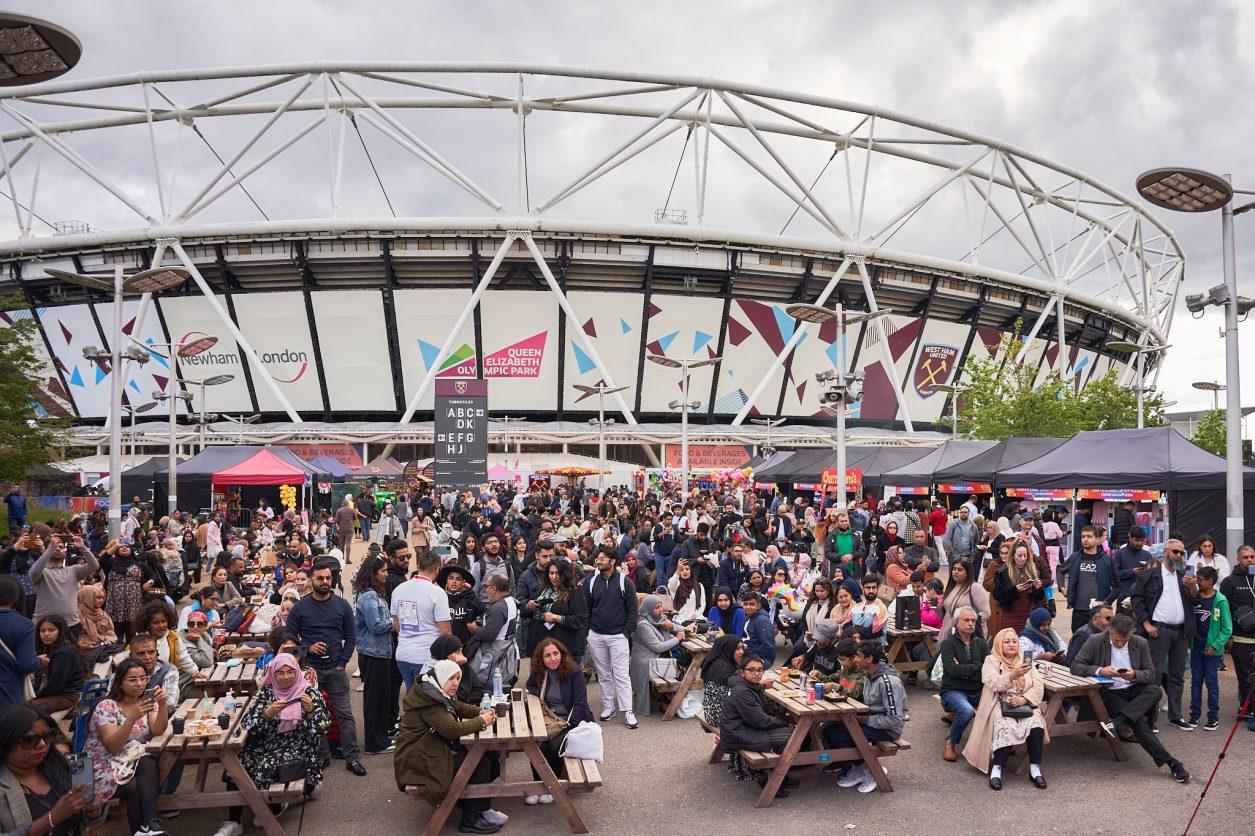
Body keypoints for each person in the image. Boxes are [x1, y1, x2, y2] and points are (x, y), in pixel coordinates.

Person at [210, 652, 330, 836]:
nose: (286, 677)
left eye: (290, 672)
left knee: (268, 766)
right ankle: (234, 821)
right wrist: (267, 714)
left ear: (297, 671)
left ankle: (274, 805)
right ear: (273, 674)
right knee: (236, 765)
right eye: (280, 673)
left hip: (298, 748)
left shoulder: (309, 692)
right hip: (267, 745)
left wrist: (311, 711)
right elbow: (248, 725)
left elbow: (323, 728)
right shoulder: (267, 693)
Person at [1070, 614, 1190, 783]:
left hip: (1133, 689)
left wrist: (1134, 675)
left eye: (1124, 640)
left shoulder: (1139, 642)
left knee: (1155, 690)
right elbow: (1075, 666)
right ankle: (1173, 763)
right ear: (1110, 631)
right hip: (1110, 692)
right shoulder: (1095, 640)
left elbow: (1150, 673)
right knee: (1138, 723)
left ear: (1131, 635)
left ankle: (1118, 721)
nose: (1121, 643)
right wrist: (1100, 671)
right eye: (1118, 640)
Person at [393, 660, 502, 835]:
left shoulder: (435, 691)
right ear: (441, 676)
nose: (455, 683)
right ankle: (470, 819)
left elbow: (457, 707)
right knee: (478, 763)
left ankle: (475, 804)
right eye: (451, 678)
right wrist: (482, 722)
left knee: (490, 755)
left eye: (458, 678)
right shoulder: (430, 701)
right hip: (418, 761)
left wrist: (479, 711)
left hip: (428, 751)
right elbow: (452, 730)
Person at [287, 564, 365, 776]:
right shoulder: (301, 607)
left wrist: (342, 662)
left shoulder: (342, 605)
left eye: (328, 578)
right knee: (314, 713)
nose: (324, 582)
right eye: (320, 578)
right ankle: (322, 756)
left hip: (335, 669)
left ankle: (351, 757)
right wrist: (307, 649)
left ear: (333, 579)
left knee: (345, 714)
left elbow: (351, 637)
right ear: (312, 580)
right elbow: (288, 640)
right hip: (310, 670)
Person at [82, 658, 169, 836]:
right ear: (120, 683)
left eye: (143, 678)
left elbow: (158, 729)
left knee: (148, 760)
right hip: (102, 767)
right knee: (138, 785)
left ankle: (149, 825)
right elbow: (113, 746)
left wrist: (162, 705)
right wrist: (131, 719)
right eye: (132, 680)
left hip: (130, 763)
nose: (139, 684)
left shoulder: (145, 702)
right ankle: (145, 827)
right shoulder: (106, 707)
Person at [961, 627, 1047, 791]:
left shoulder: (1026, 660)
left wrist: (1024, 699)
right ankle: (997, 768)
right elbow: (992, 682)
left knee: (1036, 724)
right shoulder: (991, 660)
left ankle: (1035, 769)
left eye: (1014, 641)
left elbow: (1038, 685)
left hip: (1024, 704)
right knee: (1005, 726)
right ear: (999, 644)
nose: (1011, 644)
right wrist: (1012, 675)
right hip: (999, 703)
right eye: (1007, 642)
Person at [0, 703, 96, 835]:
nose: (42, 744)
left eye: (48, 736)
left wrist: (92, 811)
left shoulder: (59, 766)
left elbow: (81, 820)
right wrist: (52, 818)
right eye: (29, 740)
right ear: (6, 742)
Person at [825, 641, 907, 794]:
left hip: (888, 729)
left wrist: (863, 720)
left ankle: (871, 770)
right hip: (870, 720)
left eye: (858, 656)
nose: (855, 659)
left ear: (869, 659)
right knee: (829, 729)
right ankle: (857, 768)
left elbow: (894, 719)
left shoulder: (888, 682)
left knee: (840, 736)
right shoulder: (870, 675)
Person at [1131, 539, 1195, 731]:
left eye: (1182, 553)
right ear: (1166, 552)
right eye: (1176, 552)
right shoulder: (1151, 574)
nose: (1179, 556)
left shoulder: (1184, 575)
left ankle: (1176, 716)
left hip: (1181, 632)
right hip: (1159, 631)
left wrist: (1193, 587)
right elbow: (1137, 599)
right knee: (1155, 676)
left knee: (1177, 676)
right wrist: (1146, 623)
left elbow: (1195, 601)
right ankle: (1151, 718)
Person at [524, 638, 594, 805]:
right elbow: (530, 687)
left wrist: (568, 725)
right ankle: (537, 786)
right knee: (536, 743)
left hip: (573, 720)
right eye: (547, 655)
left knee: (554, 746)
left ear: (562, 654)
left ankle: (551, 786)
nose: (553, 658)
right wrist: (544, 701)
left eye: (555, 653)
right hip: (551, 718)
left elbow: (580, 704)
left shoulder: (574, 672)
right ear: (541, 659)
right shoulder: (540, 672)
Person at [717, 655, 796, 798]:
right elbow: (761, 721)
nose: (757, 673)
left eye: (760, 670)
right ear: (742, 672)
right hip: (738, 735)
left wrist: (782, 718)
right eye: (752, 670)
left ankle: (777, 776)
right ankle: (770, 779)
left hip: (744, 729)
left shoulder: (751, 686)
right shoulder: (742, 691)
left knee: (790, 734)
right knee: (793, 735)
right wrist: (785, 721)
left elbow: (764, 712)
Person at [583, 547, 638, 728]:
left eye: (602, 559)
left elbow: (632, 611)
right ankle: (608, 706)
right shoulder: (590, 582)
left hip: (618, 636)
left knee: (622, 675)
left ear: (612, 561)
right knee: (603, 674)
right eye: (598, 558)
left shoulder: (625, 583)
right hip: (596, 635)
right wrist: (589, 632)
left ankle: (627, 711)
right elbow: (587, 609)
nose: (598, 561)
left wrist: (626, 632)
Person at [353, 555, 396, 755]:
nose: (386, 574)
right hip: (373, 654)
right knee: (374, 698)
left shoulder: (374, 594)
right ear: (373, 573)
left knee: (381, 697)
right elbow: (375, 626)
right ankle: (374, 743)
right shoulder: (369, 596)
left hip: (380, 652)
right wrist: (395, 623)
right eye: (383, 571)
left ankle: (380, 738)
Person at [391, 550, 451, 691]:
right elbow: (445, 632)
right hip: (426, 656)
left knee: (412, 697)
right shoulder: (437, 593)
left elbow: (397, 625)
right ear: (438, 569)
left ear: (418, 566)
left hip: (403, 654)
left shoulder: (399, 589)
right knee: (428, 701)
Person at [939, 607, 989, 762]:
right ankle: (951, 743)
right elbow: (953, 671)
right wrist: (977, 665)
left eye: (973, 620)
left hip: (978, 690)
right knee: (967, 711)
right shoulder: (948, 644)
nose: (970, 624)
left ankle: (999, 743)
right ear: (956, 622)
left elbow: (988, 668)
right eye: (966, 620)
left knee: (998, 705)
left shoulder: (981, 643)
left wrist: (964, 668)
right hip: (953, 691)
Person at [1188, 566, 1231, 731]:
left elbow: (1227, 629)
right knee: (1195, 682)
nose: (1197, 582)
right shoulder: (1196, 598)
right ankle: (1194, 715)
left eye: (1200, 579)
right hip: (1197, 649)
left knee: (1212, 684)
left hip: (1212, 651)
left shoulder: (1220, 601)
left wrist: (1215, 646)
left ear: (1210, 581)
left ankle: (1213, 718)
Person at [1217, 544, 1255, 730]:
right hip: (1241, 639)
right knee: (1245, 676)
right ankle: (1247, 708)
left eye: (1252, 556)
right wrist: (1228, 637)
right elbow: (1223, 610)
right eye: (1246, 557)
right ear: (1238, 559)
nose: (1250, 560)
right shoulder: (1230, 582)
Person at [629, 595, 687, 717]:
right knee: (681, 670)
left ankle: (666, 699)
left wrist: (671, 626)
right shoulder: (643, 625)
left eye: (661, 606)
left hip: (658, 656)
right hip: (646, 661)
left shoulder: (660, 619)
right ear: (649, 609)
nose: (661, 610)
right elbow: (658, 647)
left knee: (684, 662)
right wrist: (677, 639)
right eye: (657, 607)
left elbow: (682, 630)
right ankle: (666, 701)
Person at [30, 534, 99, 629]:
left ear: (65, 552)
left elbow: (94, 566)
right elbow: (33, 572)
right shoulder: (42, 572)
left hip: (71, 624)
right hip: (46, 626)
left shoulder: (73, 570)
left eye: (61, 547)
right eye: (55, 546)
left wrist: (83, 547)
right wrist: (50, 549)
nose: (58, 549)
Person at [524, 560, 587, 658]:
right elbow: (526, 612)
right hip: (540, 643)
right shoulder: (542, 589)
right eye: (551, 573)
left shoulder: (574, 592)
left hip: (564, 647)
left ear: (565, 574)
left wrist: (555, 618)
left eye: (558, 573)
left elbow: (579, 620)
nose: (554, 577)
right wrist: (529, 606)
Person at [467, 576, 520, 692]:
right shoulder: (511, 601)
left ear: (494, 589)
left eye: (486, 586)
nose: (485, 590)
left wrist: (474, 628)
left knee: (491, 691)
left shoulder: (497, 608)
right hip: (506, 651)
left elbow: (489, 635)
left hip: (496, 656)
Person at [1066, 525, 1118, 633]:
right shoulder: (1075, 557)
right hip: (1079, 611)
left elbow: (1117, 587)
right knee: (1078, 642)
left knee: (1100, 644)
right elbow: (1060, 570)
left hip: (1099, 612)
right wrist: (1062, 586)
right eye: (1083, 537)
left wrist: (1105, 601)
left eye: (1089, 536)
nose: (1085, 539)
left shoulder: (1107, 560)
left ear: (1097, 539)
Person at [29, 616, 83, 714]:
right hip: (54, 692)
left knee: (27, 710)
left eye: (51, 630)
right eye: (42, 631)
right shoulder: (49, 647)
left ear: (60, 631)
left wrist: (36, 697)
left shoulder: (63, 652)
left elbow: (55, 684)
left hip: (67, 695)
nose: (46, 634)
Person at [991, 542, 1044, 633]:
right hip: (1009, 615)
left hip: (1028, 616)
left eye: (1025, 555)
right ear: (1013, 555)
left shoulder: (1032, 570)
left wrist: (1037, 588)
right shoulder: (1004, 571)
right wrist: (1015, 590)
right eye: (1019, 556)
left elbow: (1040, 597)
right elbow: (998, 595)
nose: (1022, 559)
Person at [939, 560, 989, 638]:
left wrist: (967, 623)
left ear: (967, 572)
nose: (955, 572)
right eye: (954, 569)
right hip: (948, 632)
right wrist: (935, 607)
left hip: (968, 635)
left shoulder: (975, 587)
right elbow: (946, 614)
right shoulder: (950, 588)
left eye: (960, 570)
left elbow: (986, 613)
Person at [439, 565, 483, 646]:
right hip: (444, 645)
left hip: (465, 646)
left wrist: (470, 592)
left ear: (463, 582)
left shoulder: (468, 597)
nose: (454, 581)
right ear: (446, 581)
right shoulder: (440, 598)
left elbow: (481, 610)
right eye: (451, 578)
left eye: (458, 579)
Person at [1112, 525, 1151, 607]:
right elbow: (1113, 575)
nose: (1139, 543)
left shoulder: (1147, 555)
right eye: (1136, 540)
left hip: (1142, 596)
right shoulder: (1119, 554)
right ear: (1130, 538)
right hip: (1124, 595)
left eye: (1142, 540)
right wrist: (1131, 571)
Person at [75, 584, 117, 653]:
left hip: (102, 647)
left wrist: (108, 641)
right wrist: (83, 646)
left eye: (103, 598)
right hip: (82, 651)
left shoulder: (102, 614)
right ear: (87, 598)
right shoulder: (76, 614)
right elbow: (72, 638)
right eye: (99, 597)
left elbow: (110, 632)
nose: (102, 600)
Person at [740, 592, 776, 667]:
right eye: (745, 604)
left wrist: (747, 652)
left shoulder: (762, 620)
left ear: (758, 605)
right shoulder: (748, 617)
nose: (748, 607)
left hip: (761, 659)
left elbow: (768, 647)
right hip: (748, 654)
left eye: (751, 604)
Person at [850, 574, 889, 641]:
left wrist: (854, 627)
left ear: (878, 588)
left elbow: (870, 632)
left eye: (874, 587)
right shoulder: (856, 606)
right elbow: (846, 626)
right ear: (862, 589)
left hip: (873, 647)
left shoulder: (881, 608)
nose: (871, 591)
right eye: (868, 588)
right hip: (855, 646)